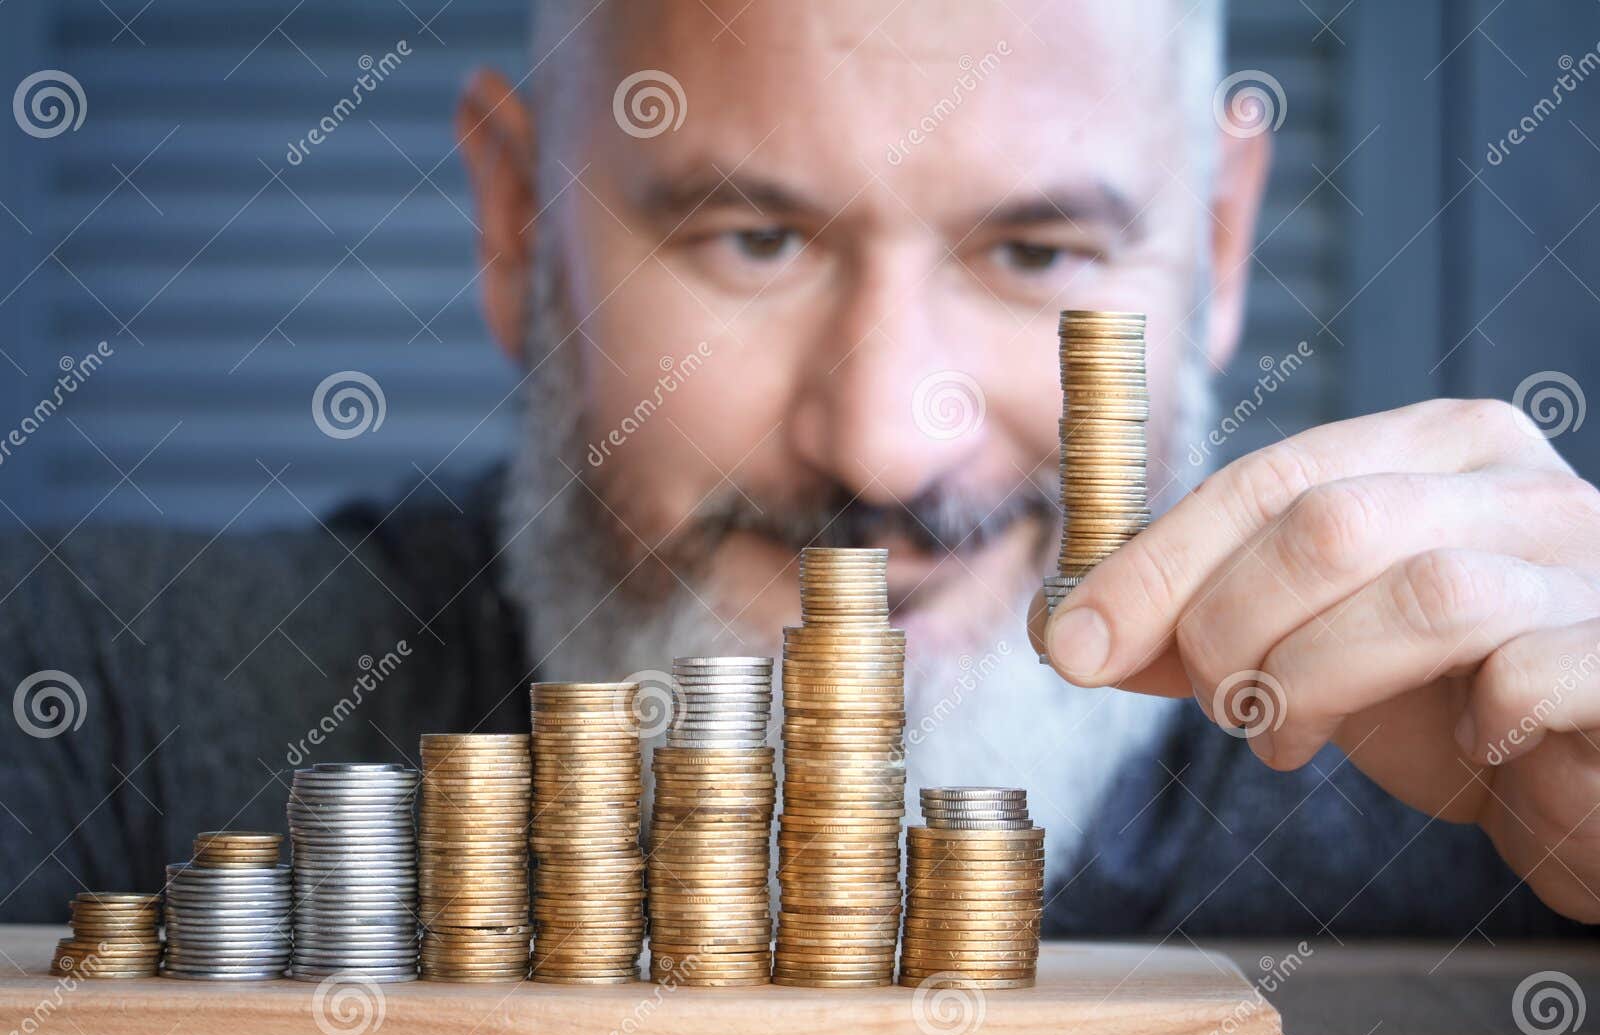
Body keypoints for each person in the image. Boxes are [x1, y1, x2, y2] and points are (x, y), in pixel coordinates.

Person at [1, 0, 1595, 939]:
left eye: (1035, 248)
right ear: (512, 223)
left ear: (1224, 237)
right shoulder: (85, 692)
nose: (885, 440)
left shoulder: (1516, 798)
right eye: (752, 237)